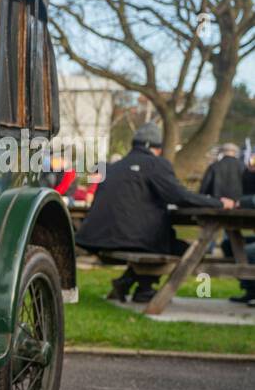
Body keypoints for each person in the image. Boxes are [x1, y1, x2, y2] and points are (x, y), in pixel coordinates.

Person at [75, 123, 235, 302]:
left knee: (162, 243)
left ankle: (128, 284)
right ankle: (143, 289)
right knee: (188, 250)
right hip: (131, 237)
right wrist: (218, 202)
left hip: (99, 237)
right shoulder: (155, 165)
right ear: (154, 148)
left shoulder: (113, 167)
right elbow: (179, 196)